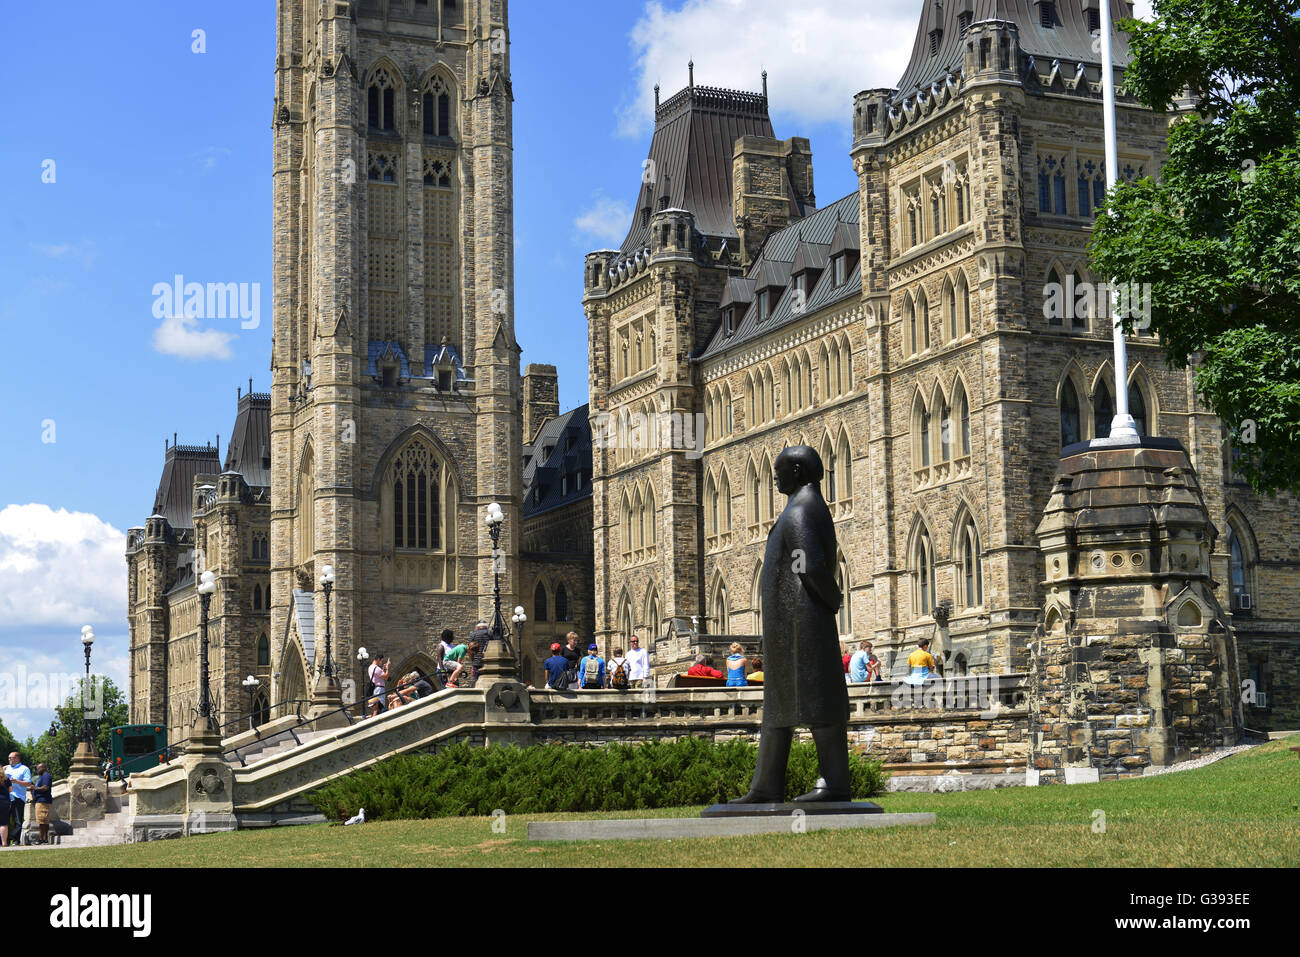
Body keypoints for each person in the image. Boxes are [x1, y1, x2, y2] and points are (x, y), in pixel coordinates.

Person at [730, 446, 851, 805]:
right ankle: (766, 785)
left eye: (779, 470)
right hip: (790, 627)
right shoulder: (801, 507)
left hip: (802, 626)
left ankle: (834, 782)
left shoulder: (800, 510)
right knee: (780, 708)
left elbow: (809, 565)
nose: (774, 477)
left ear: (797, 470)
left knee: (819, 704)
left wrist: (832, 601)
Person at [4, 752, 31, 845]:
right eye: (8, 758)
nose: (9, 760)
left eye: (10, 758)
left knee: (17, 821)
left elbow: (28, 783)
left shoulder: (24, 769)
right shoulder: (6, 768)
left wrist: (16, 781)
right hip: (6, 798)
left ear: (17, 758)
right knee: (4, 820)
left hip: (18, 797)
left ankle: (15, 840)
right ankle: (5, 841)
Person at [31, 762, 52, 845]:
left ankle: (42, 839)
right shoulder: (42, 777)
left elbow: (46, 787)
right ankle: (43, 839)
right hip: (40, 801)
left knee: (43, 821)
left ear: (43, 768)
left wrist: (35, 788)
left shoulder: (46, 776)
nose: (37, 770)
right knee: (42, 821)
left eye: (38, 768)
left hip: (43, 801)